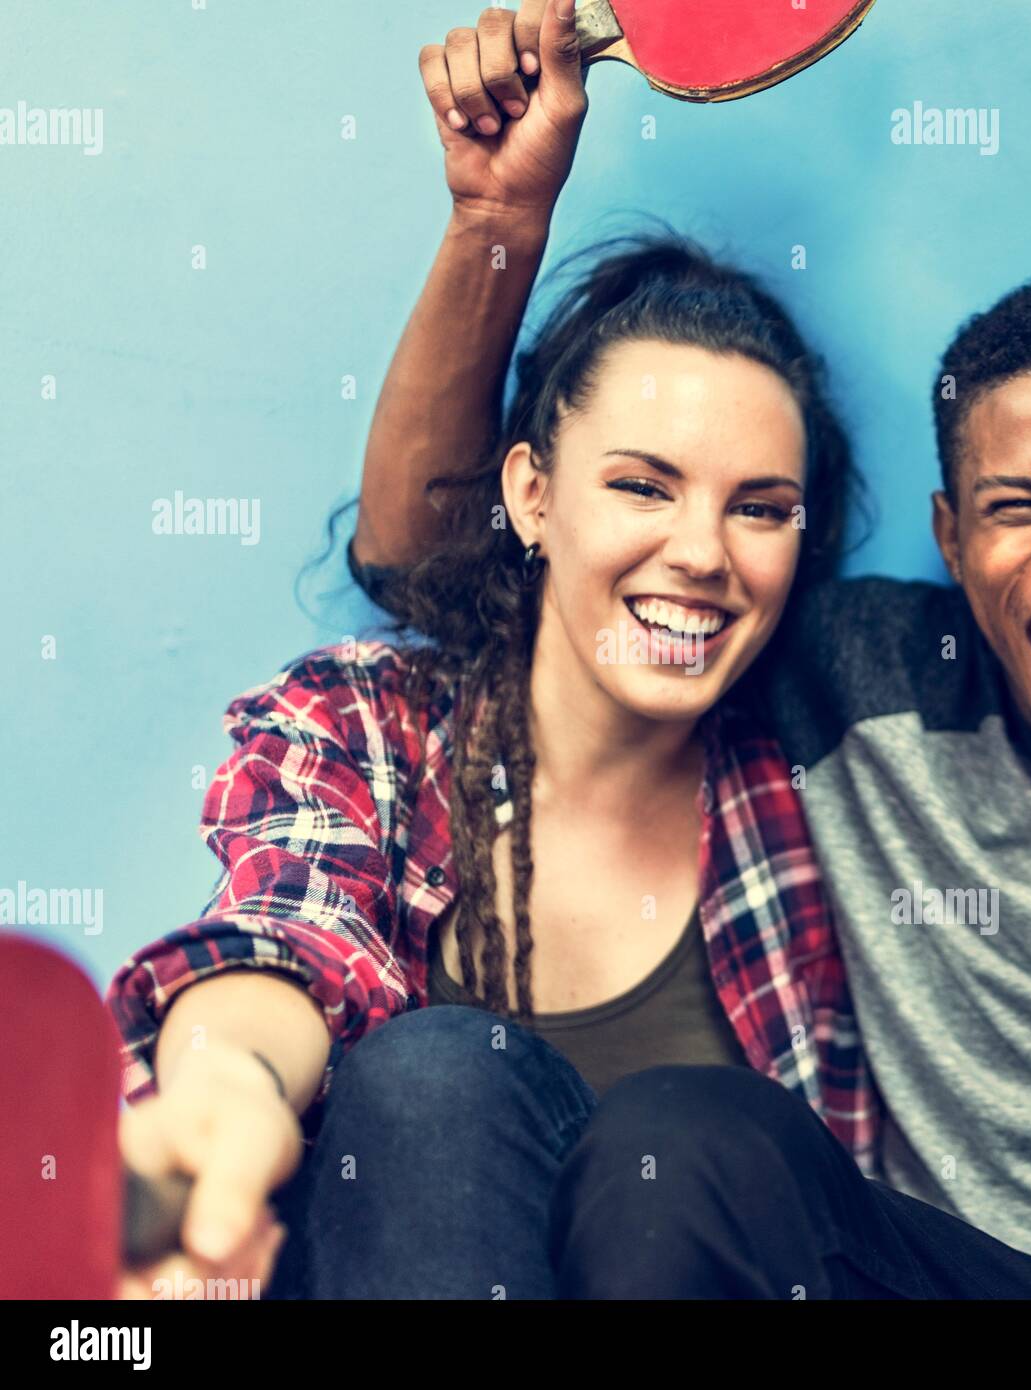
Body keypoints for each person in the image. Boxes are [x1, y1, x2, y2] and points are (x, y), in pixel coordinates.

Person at [348, 0, 1031, 1298]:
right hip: (923, 1278)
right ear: (950, 540)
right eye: (1022, 507)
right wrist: (497, 220)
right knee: (678, 1138)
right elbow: (424, 562)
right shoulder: (842, 672)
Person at [105, 11, 881, 1298]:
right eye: (641, 484)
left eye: (758, 507)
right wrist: (223, 1108)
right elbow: (284, 937)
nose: (702, 550)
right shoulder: (369, 728)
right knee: (431, 1071)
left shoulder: (840, 749)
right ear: (529, 494)